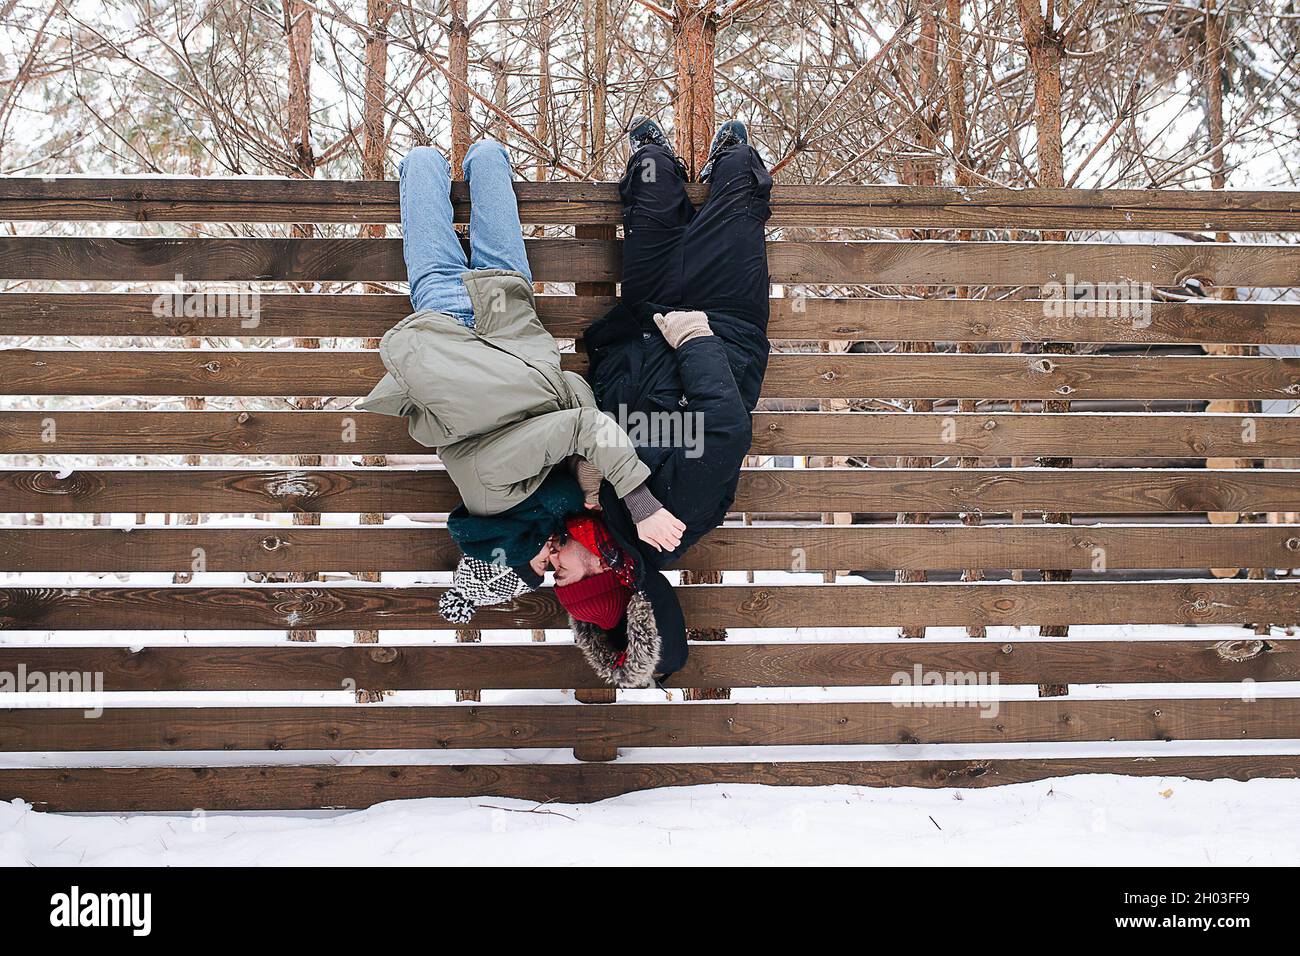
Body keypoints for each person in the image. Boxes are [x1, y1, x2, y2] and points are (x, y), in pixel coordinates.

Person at [355, 140, 685, 623]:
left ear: (510, 548)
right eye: (550, 568)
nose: (549, 558)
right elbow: (571, 396)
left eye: (536, 564)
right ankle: (449, 159)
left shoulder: (495, 488)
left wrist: (641, 503)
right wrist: (580, 468)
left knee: (455, 162)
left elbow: (583, 422)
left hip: (462, 316)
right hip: (490, 313)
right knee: (471, 159)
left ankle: (446, 159)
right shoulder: (516, 491)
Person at [549, 116, 773, 687]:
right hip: (718, 323)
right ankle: (733, 151)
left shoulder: (581, 510)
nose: (553, 566)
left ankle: (652, 153)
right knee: (736, 199)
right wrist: (696, 339)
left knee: (651, 201)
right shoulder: (672, 525)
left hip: (644, 321)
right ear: (602, 572)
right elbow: (721, 428)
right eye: (564, 578)